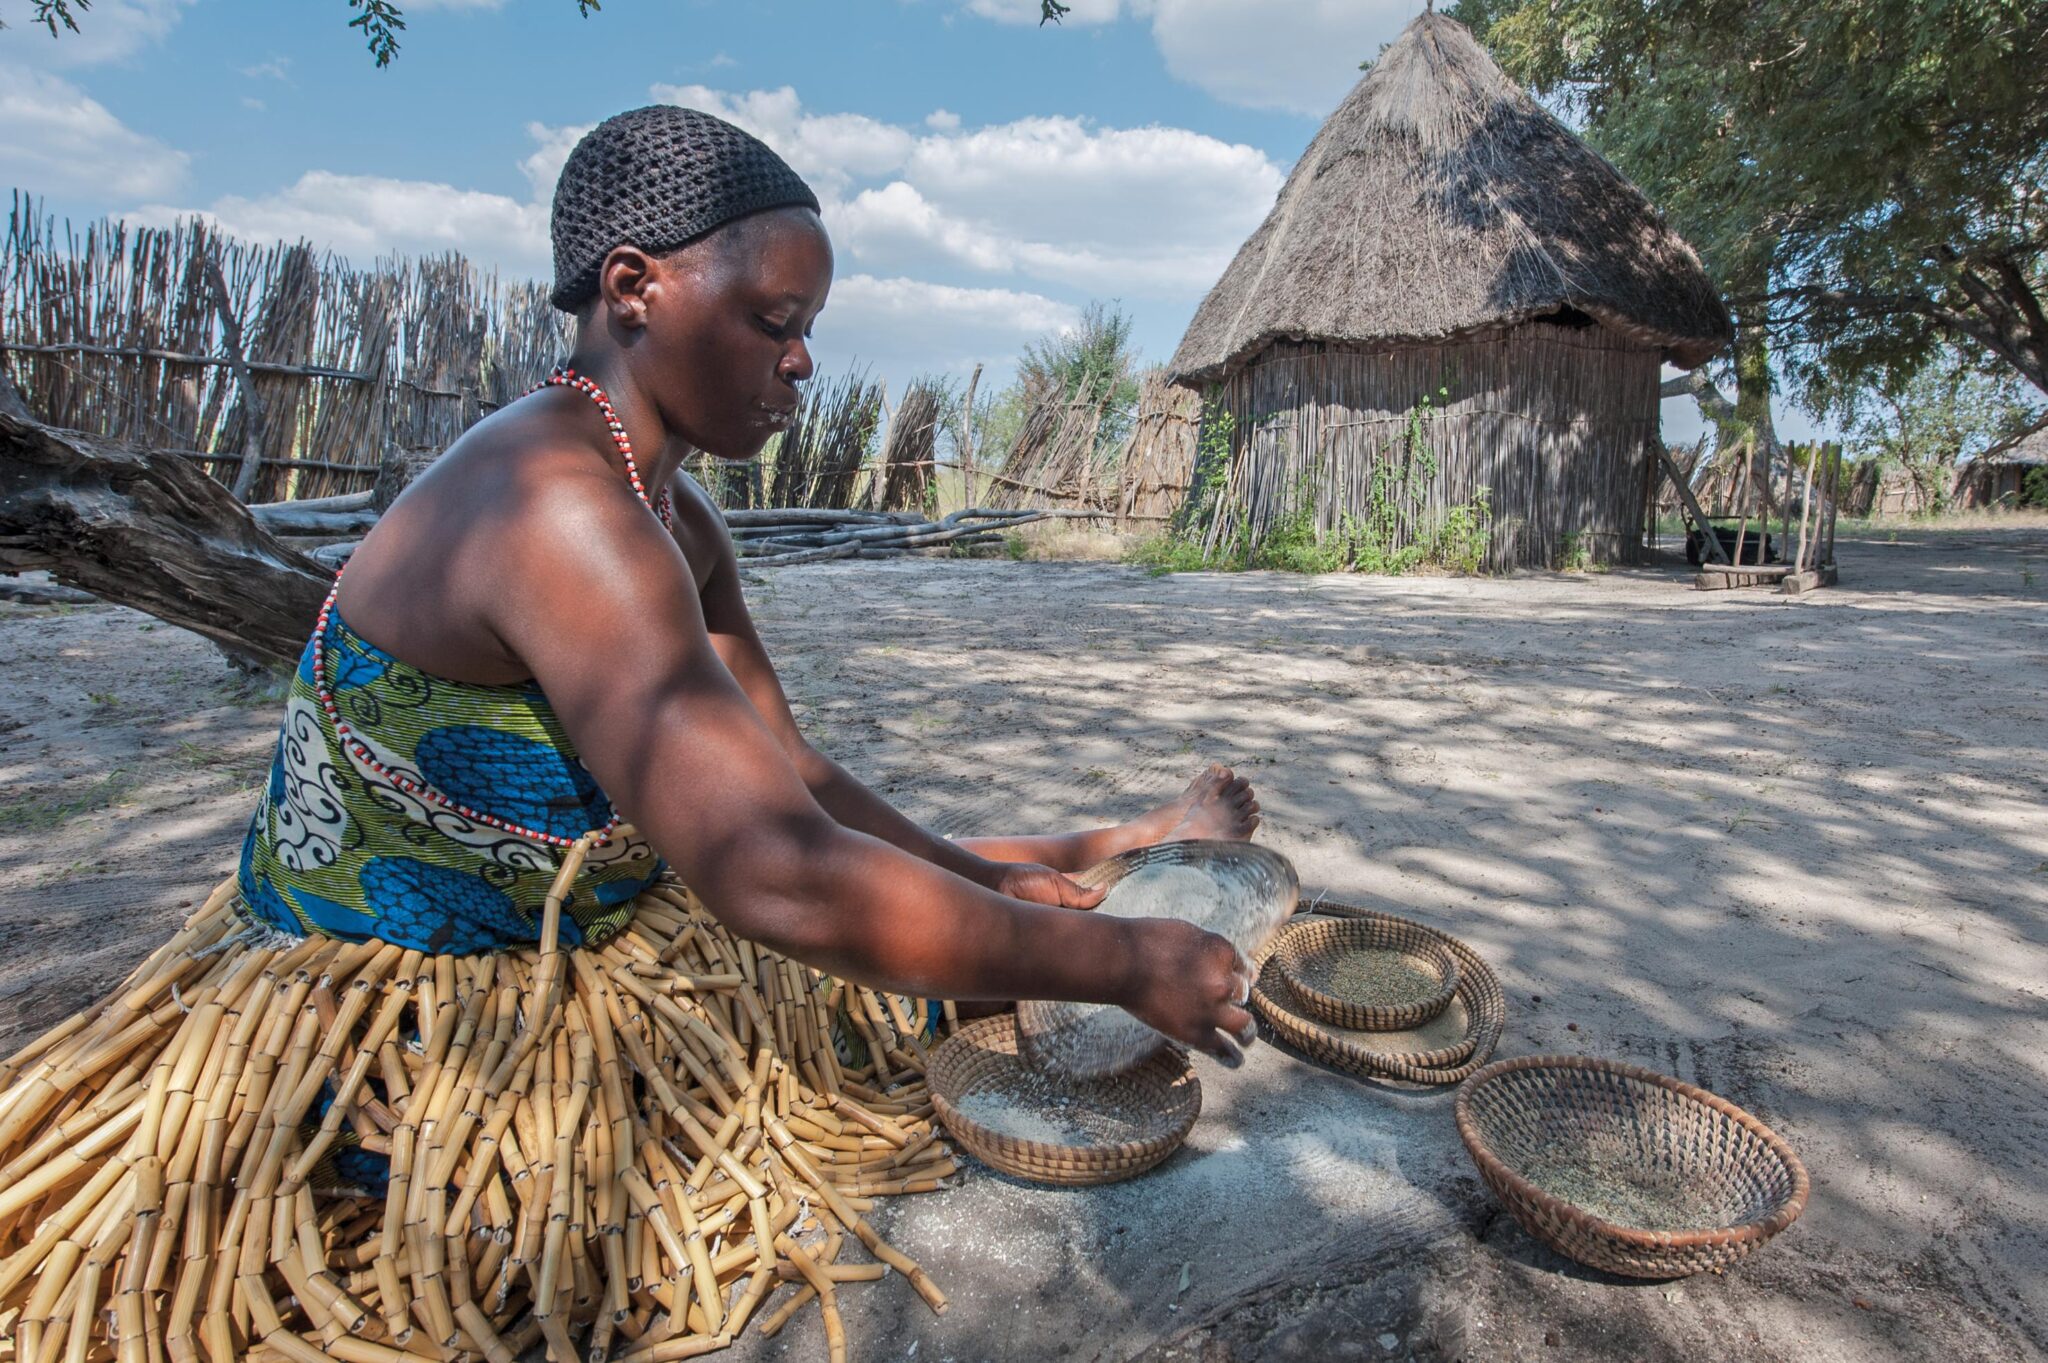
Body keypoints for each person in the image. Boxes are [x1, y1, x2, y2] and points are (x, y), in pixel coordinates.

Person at [0, 105, 1264, 1362]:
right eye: (773, 320)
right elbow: (773, 873)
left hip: (607, 906)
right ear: (632, 289)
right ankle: (1106, 869)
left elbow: (787, 776)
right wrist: (1111, 962)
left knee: (971, 937)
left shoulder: (672, 512)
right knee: (902, 1004)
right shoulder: (557, 512)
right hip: (421, 1003)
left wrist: (995, 893)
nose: (802, 363)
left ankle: (1108, 844)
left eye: (808, 329)